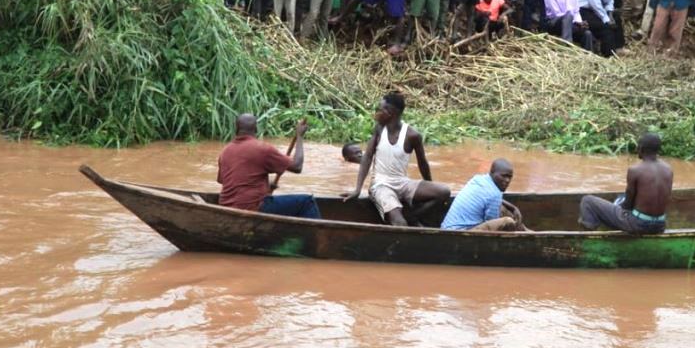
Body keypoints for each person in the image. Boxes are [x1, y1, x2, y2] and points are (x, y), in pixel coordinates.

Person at [343, 92, 450, 226]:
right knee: (400, 223)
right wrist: (358, 189)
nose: (376, 113)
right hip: (380, 185)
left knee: (444, 192)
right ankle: (407, 224)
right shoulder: (379, 129)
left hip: (402, 182)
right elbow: (368, 157)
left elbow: (423, 163)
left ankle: (413, 216)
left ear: (390, 113)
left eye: (379, 110)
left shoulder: (413, 135)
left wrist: (429, 185)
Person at [218, 115, 320, 218]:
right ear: (256, 129)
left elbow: (224, 180)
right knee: (307, 201)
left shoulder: (225, 151)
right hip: (253, 208)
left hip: (226, 206)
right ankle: (318, 233)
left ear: (236, 128)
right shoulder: (262, 149)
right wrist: (299, 136)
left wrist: (267, 187)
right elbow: (297, 166)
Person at [578, 133, 672, 235]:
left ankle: (588, 237)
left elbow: (627, 205)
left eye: (638, 146)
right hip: (660, 225)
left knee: (587, 200)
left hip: (638, 225)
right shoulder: (668, 169)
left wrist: (617, 206)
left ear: (641, 148)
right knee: (621, 199)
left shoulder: (635, 170)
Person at [441, 159, 525, 232]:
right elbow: (493, 223)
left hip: (446, 227)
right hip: (460, 232)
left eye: (510, 177)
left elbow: (489, 198)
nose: (507, 180)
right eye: (503, 176)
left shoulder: (478, 179)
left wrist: (513, 207)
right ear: (492, 172)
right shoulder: (494, 194)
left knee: (502, 209)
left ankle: (524, 230)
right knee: (507, 221)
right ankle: (522, 234)